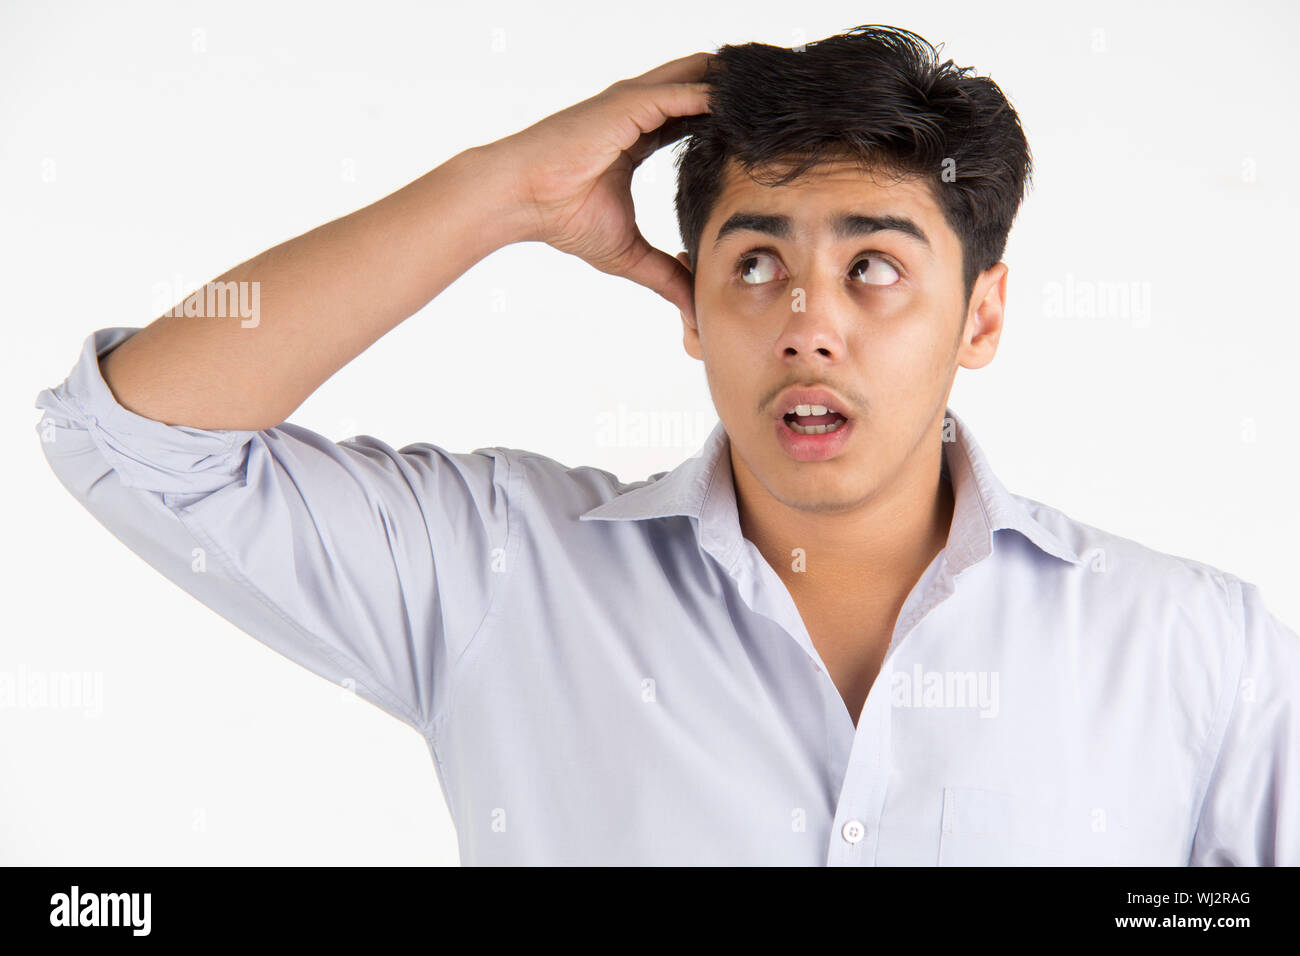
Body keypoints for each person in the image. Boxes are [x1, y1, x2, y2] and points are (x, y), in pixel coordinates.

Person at [34, 24, 1298, 865]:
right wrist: (504, 193)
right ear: (689, 306)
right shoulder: (506, 575)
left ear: (981, 315)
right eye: (756, 264)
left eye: (872, 267)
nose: (808, 324)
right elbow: (137, 433)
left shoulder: (1194, 645)